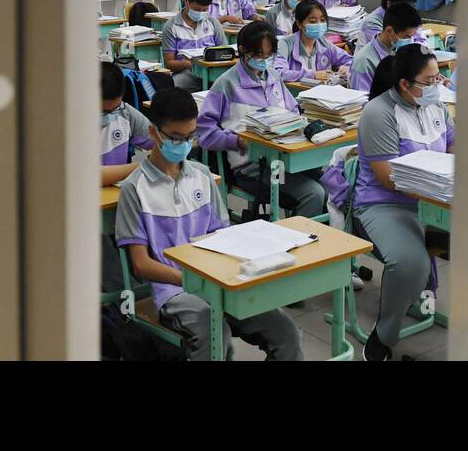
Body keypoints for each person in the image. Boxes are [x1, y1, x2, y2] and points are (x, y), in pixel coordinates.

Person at [117, 88, 304, 361]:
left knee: (286, 332)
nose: (183, 145)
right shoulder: (135, 189)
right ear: (154, 133)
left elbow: (222, 237)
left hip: (218, 281)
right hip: (175, 290)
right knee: (216, 334)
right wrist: (192, 279)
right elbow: (141, 264)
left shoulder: (203, 177)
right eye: (175, 137)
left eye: (190, 137)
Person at [354, 46, 455, 361]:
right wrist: (440, 189)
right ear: (404, 84)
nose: (437, 85)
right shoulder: (378, 112)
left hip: (436, 199)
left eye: (438, 76)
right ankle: (383, 335)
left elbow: (453, 144)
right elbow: (388, 178)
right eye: (429, 80)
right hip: (384, 205)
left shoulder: (434, 104)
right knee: (411, 263)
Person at [196, 22, 326, 219]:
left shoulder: (273, 76)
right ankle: (301, 242)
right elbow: (205, 133)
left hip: (285, 158)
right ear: (242, 51)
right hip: (254, 167)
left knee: (333, 186)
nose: (264, 60)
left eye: (269, 56)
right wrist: (236, 141)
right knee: (313, 194)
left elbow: (294, 112)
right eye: (259, 56)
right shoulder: (226, 84)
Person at [99, 61, 154, 293]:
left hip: (119, 194)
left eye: (115, 108)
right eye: (103, 111)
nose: (110, 115)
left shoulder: (124, 112)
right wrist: (140, 168)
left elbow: (156, 140)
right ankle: (125, 295)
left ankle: (156, 284)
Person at [160, 0, 227, 90]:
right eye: (196, 9)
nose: (201, 13)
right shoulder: (171, 27)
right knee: (172, 86)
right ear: (187, 2)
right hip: (187, 74)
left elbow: (225, 53)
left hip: (212, 73)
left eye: (204, 9)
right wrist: (191, 65)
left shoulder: (213, 23)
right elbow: (169, 62)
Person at [349, 2, 423, 91]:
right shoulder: (364, 62)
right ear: (389, 31)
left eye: (413, 36)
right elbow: (362, 101)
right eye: (407, 36)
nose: (411, 40)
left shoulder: (401, 51)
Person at [275, 0, 352, 84]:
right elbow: (278, 73)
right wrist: (313, 75)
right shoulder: (285, 44)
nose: (319, 24)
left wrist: (346, 68)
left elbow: (351, 61)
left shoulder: (324, 44)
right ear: (299, 24)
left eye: (322, 20)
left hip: (322, 94)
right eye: (312, 21)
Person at [360, 0, 428, 45]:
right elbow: (385, 49)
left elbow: (422, 40)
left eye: (412, 7)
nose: (409, 11)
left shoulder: (408, 16)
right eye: (405, 8)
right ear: (389, 4)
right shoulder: (372, 23)